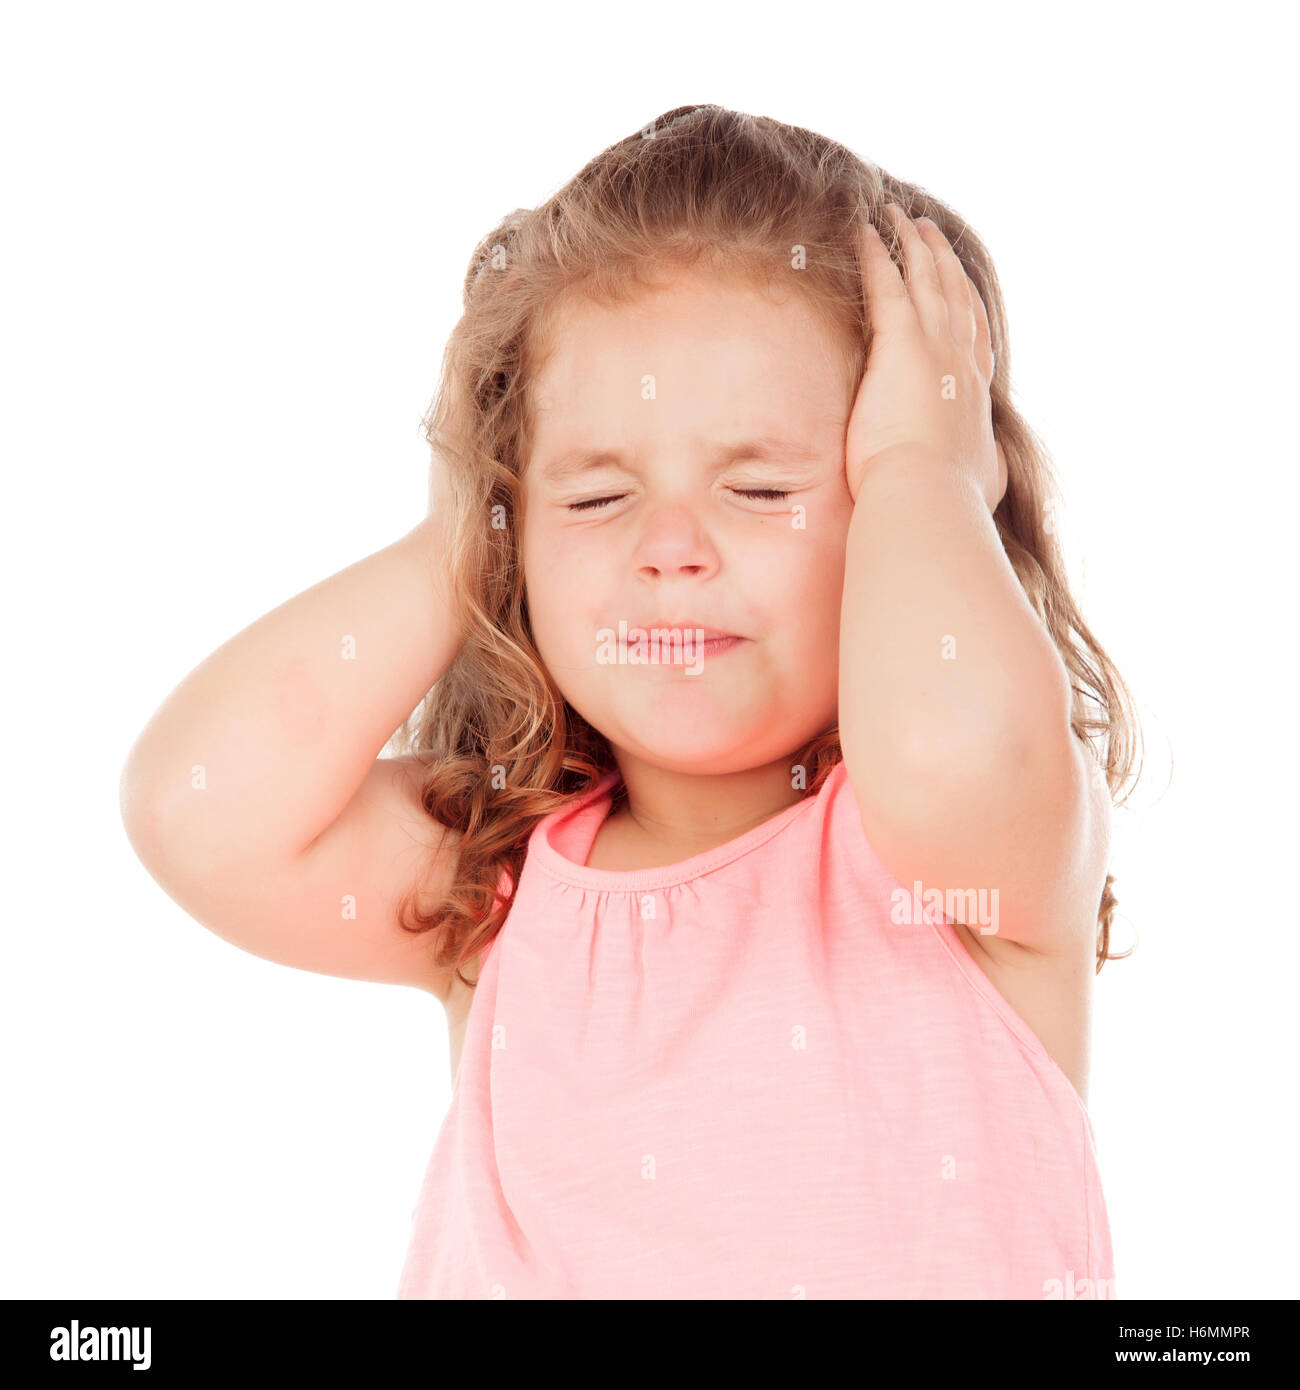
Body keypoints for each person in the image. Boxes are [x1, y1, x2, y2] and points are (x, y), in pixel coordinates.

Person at [120, 105, 1140, 1300]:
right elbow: (199, 809)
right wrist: (467, 523)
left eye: (761, 488)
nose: (669, 547)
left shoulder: (968, 866)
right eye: (595, 499)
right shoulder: (497, 886)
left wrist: (925, 466)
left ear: (911, 526)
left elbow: (945, 735)